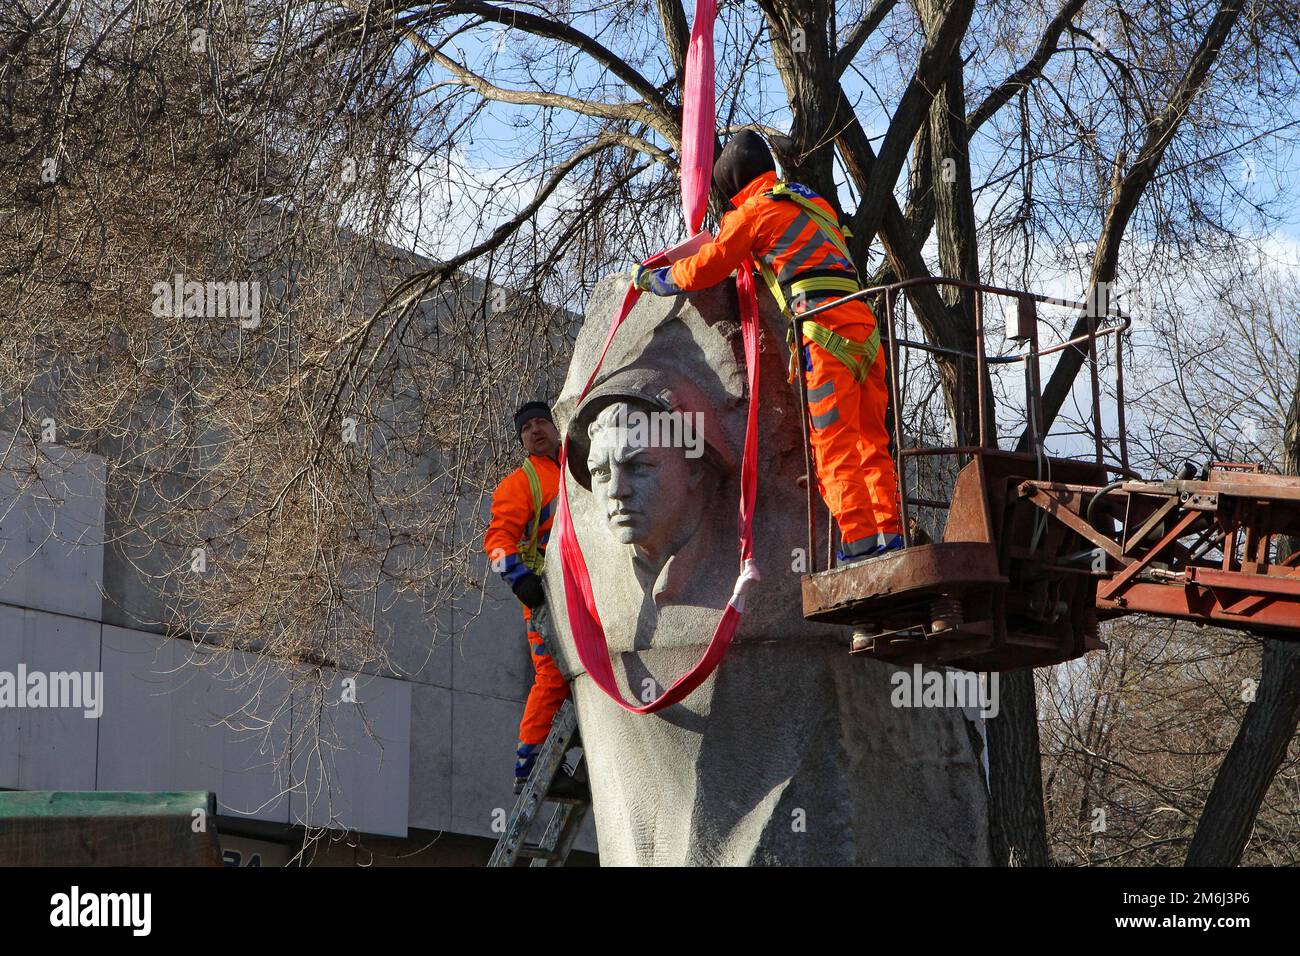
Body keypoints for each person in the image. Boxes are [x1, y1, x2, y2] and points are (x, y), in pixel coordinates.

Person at [633, 130, 902, 564]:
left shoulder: (752, 213)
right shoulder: (813, 204)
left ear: (733, 188)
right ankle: (890, 535)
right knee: (871, 441)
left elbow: (709, 265)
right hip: (865, 333)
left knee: (832, 444)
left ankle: (858, 543)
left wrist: (656, 278)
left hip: (823, 338)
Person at [484, 401, 572, 794]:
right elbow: (497, 542)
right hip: (545, 598)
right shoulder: (519, 484)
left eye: (542, 423)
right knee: (552, 677)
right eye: (527, 428)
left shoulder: (583, 462)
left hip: (586, 591)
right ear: (522, 439)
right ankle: (530, 769)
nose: (535, 431)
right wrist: (520, 580)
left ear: (557, 427)